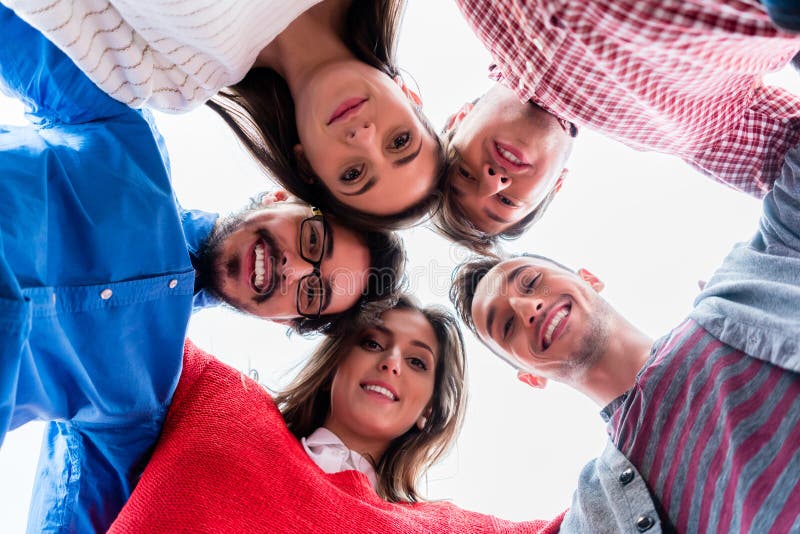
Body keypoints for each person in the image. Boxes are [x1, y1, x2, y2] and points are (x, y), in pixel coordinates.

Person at [0, 8, 403, 531]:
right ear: (281, 197)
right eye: (312, 239)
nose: (294, 268)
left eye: (313, 294)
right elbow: (21, 31)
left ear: (284, 321)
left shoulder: (140, 404)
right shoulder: (123, 132)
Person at [450, 137, 800, 530]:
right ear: (531, 378)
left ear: (590, 279)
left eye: (531, 282)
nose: (527, 308)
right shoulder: (595, 511)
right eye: (507, 326)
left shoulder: (746, 281)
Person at [104, 298, 563, 533]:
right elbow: (126, 314)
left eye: (418, 361)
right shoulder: (225, 396)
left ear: (428, 412)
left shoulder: (440, 528)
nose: (392, 362)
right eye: (372, 342)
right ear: (336, 363)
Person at [1, 0, 447, 228]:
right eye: (400, 141)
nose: (365, 136)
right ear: (411, 95)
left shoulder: (174, 80)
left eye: (352, 173)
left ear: (306, 165)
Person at [436, 0, 800, 252]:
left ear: (458, 119)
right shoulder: (695, 136)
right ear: (555, 186)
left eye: (465, 174)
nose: (493, 180)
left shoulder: (482, 10)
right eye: (506, 200)